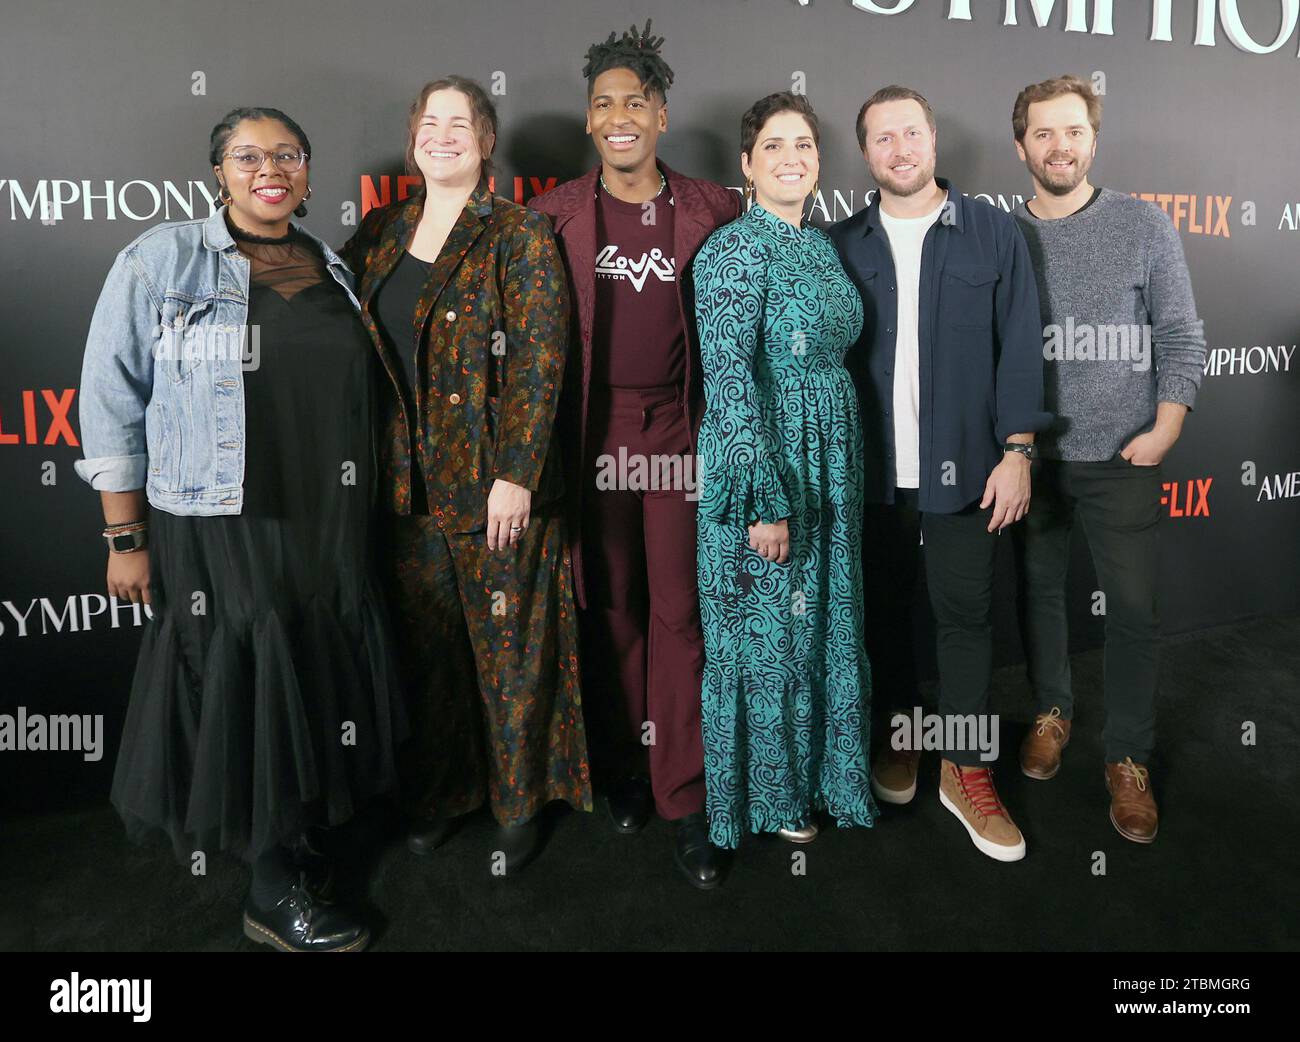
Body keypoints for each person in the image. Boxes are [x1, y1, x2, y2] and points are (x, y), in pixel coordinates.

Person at [76, 106, 406, 951]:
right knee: (254, 665)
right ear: (217, 172)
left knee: (310, 664)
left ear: (307, 169)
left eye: (288, 154)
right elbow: (112, 398)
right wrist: (125, 537)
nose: (271, 169)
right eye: (248, 155)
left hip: (328, 511)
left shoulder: (334, 266)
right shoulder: (163, 259)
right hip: (224, 511)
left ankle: (299, 841)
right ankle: (270, 887)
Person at [339, 77, 591, 873]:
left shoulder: (518, 232)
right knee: (430, 654)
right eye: (430, 122)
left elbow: (541, 361)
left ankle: (519, 802)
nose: (443, 135)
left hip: (496, 489)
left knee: (512, 652)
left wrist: (516, 473)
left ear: (487, 141)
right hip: (404, 488)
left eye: (462, 123)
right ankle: (443, 793)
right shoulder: (379, 233)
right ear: (413, 137)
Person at [529, 20, 740, 889]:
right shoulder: (552, 217)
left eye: (636, 101)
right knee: (608, 603)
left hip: (678, 431)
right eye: (604, 102)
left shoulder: (712, 208)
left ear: (661, 115)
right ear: (589, 121)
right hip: (593, 436)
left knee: (679, 611)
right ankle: (623, 771)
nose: (620, 115)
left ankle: (684, 797)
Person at [828, 86, 1051, 863]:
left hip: (968, 472)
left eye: (911, 132)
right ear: (866, 154)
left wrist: (1018, 451)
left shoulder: (993, 232)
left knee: (964, 619)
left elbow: (1021, 348)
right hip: (871, 477)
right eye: (882, 137)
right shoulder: (838, 243)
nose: (899, 148)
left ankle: (966, 767)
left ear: (933, 139)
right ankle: (903, 735)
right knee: (884, 616)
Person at [1010, 75, 1206, 844]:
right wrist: (1011, 445)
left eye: (1074, 131)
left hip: (1122, 456)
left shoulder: (1143, 225)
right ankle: (1052, 712)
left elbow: (1182, 335)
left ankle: (1128, 758)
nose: (1060, 145)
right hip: (1030, 456)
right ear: (1020, 143)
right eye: (1044, 133)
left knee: (1129, 613)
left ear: (1093, 139)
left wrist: (1165, 429)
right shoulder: (1004, 235)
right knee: (1039, 593)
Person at [693, 91, 877, 852]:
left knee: (823, 626)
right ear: (746, 164)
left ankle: (826, 778)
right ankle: (770, 795)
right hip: (766, 467)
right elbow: (729, 381)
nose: (791, 157)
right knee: (770, 637)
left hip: (830, 462)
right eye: (773, 145)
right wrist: (764, 500)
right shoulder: (733, 250)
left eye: (803, 144)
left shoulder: (821, 245)